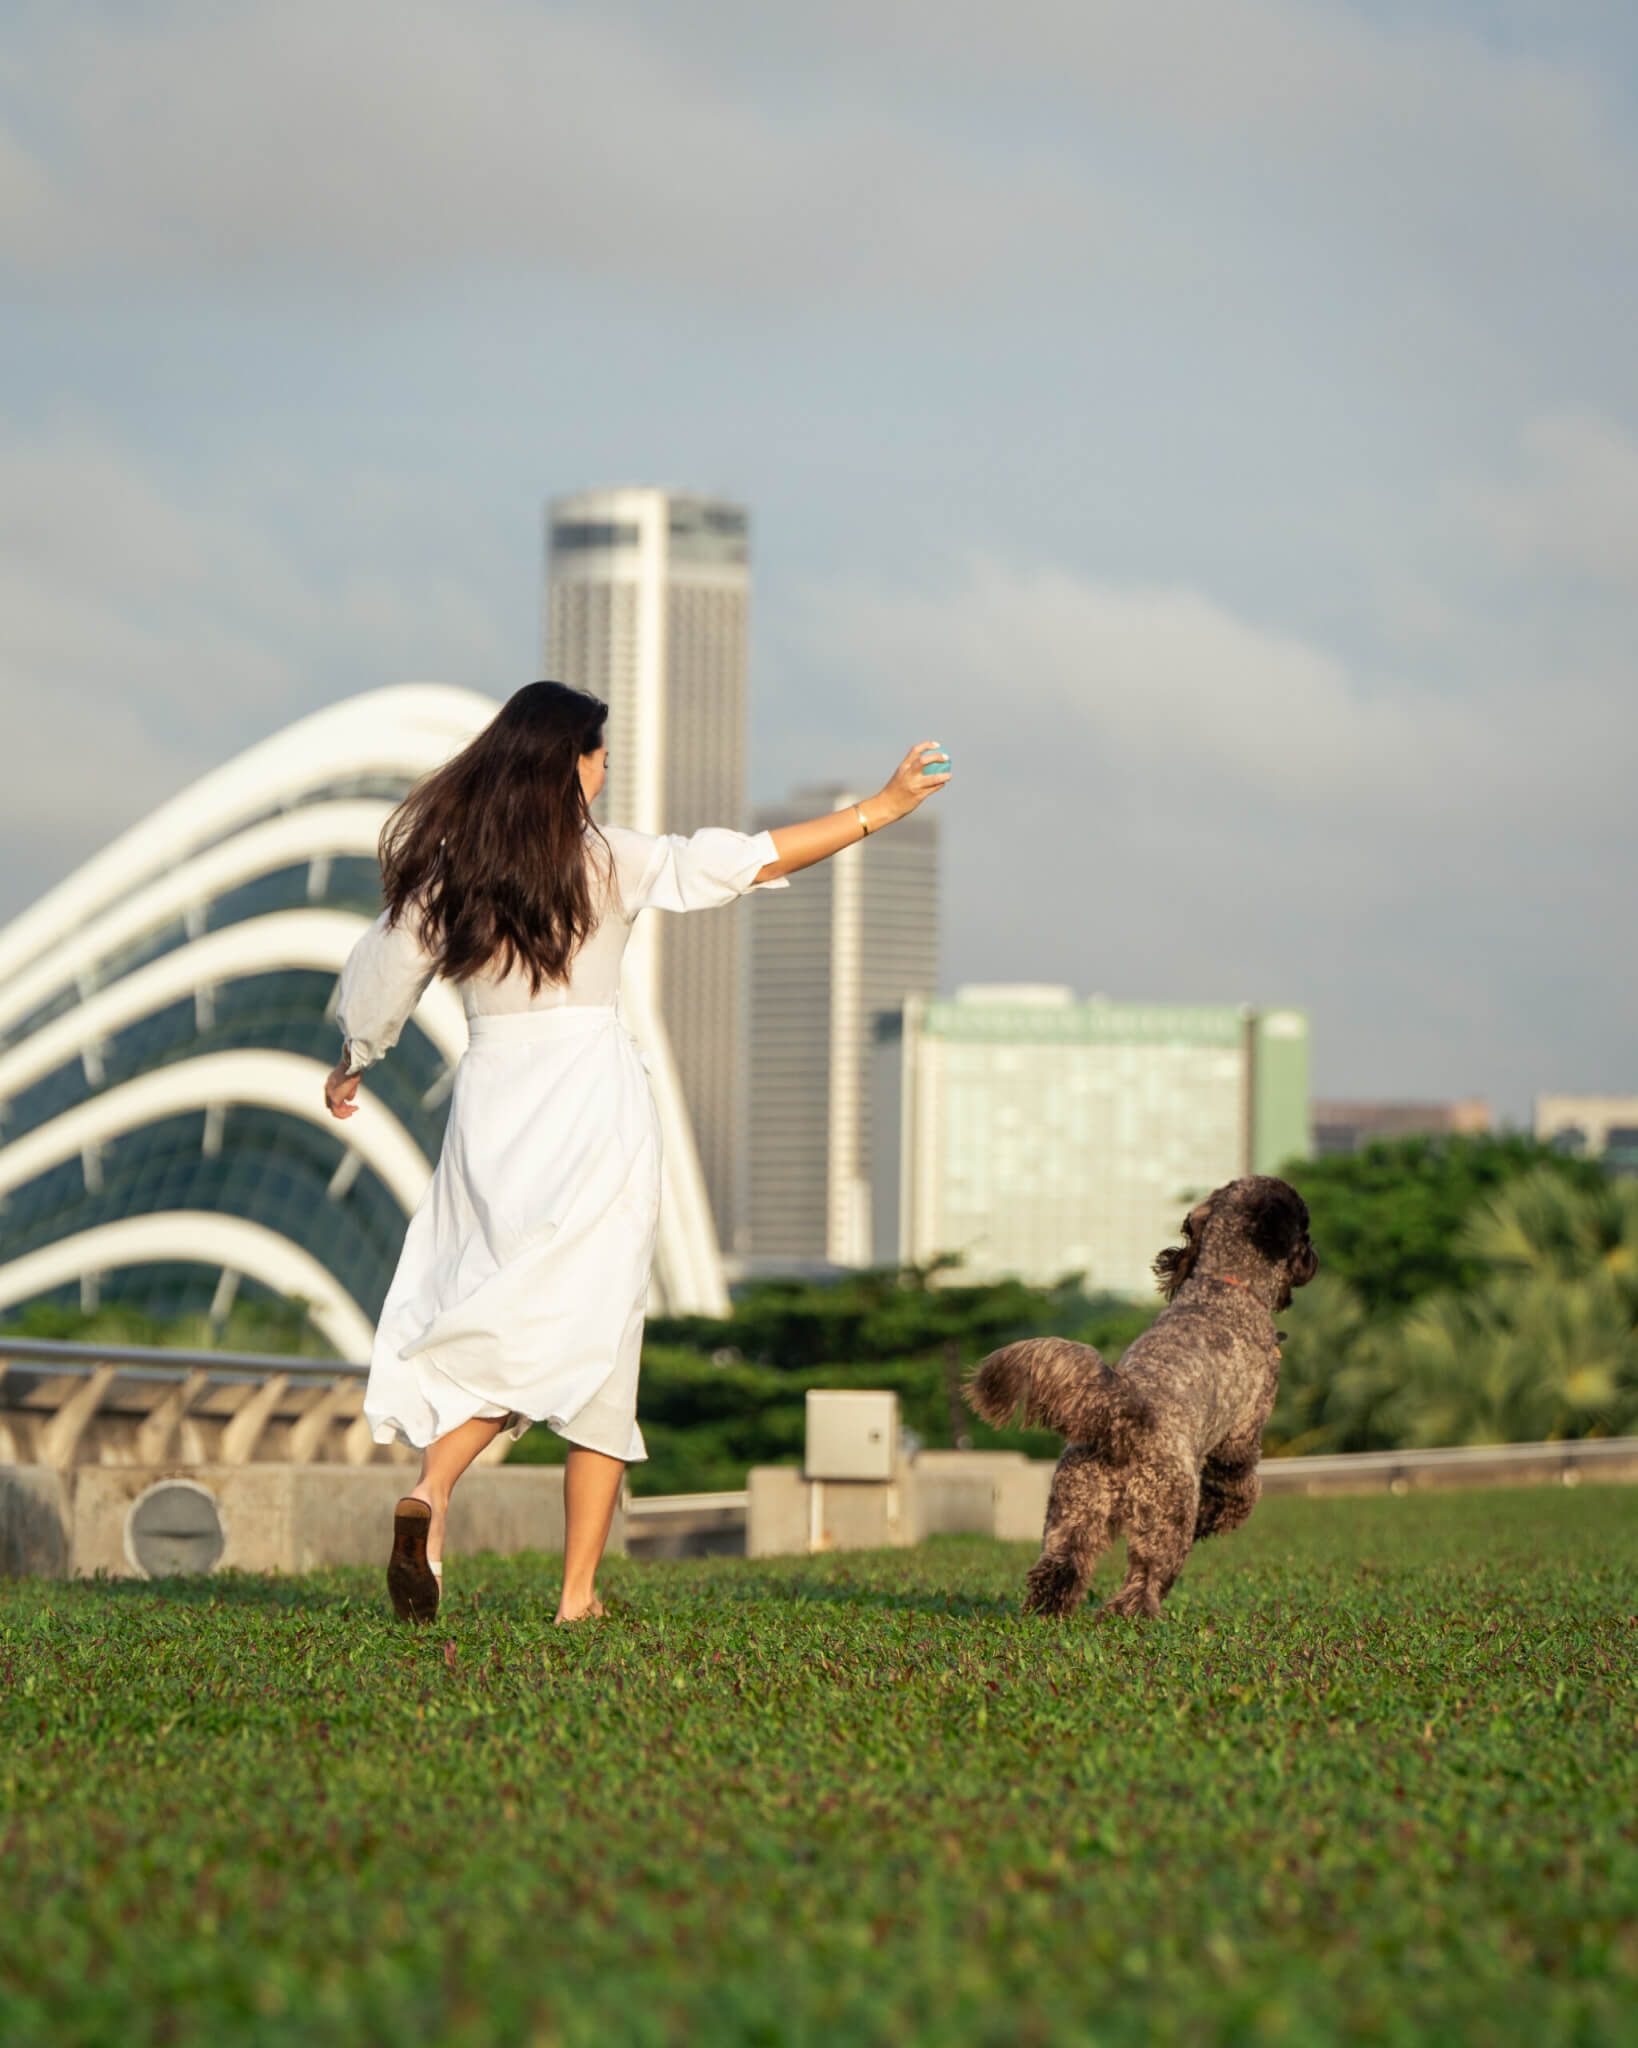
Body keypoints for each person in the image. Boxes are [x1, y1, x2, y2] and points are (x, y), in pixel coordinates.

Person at [323, 680, 951, 1624]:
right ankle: (566, 1587)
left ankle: (435, 1494)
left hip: (493, 1111)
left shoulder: (454, 869)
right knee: (599, 1334)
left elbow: (384, 973)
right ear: (567, 761)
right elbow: (746, 859)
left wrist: (354, 1061)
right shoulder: (609, 862)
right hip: (593, 1111)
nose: (606, 765)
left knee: (496, 1307)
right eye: (599, 750)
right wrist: (883, 809)